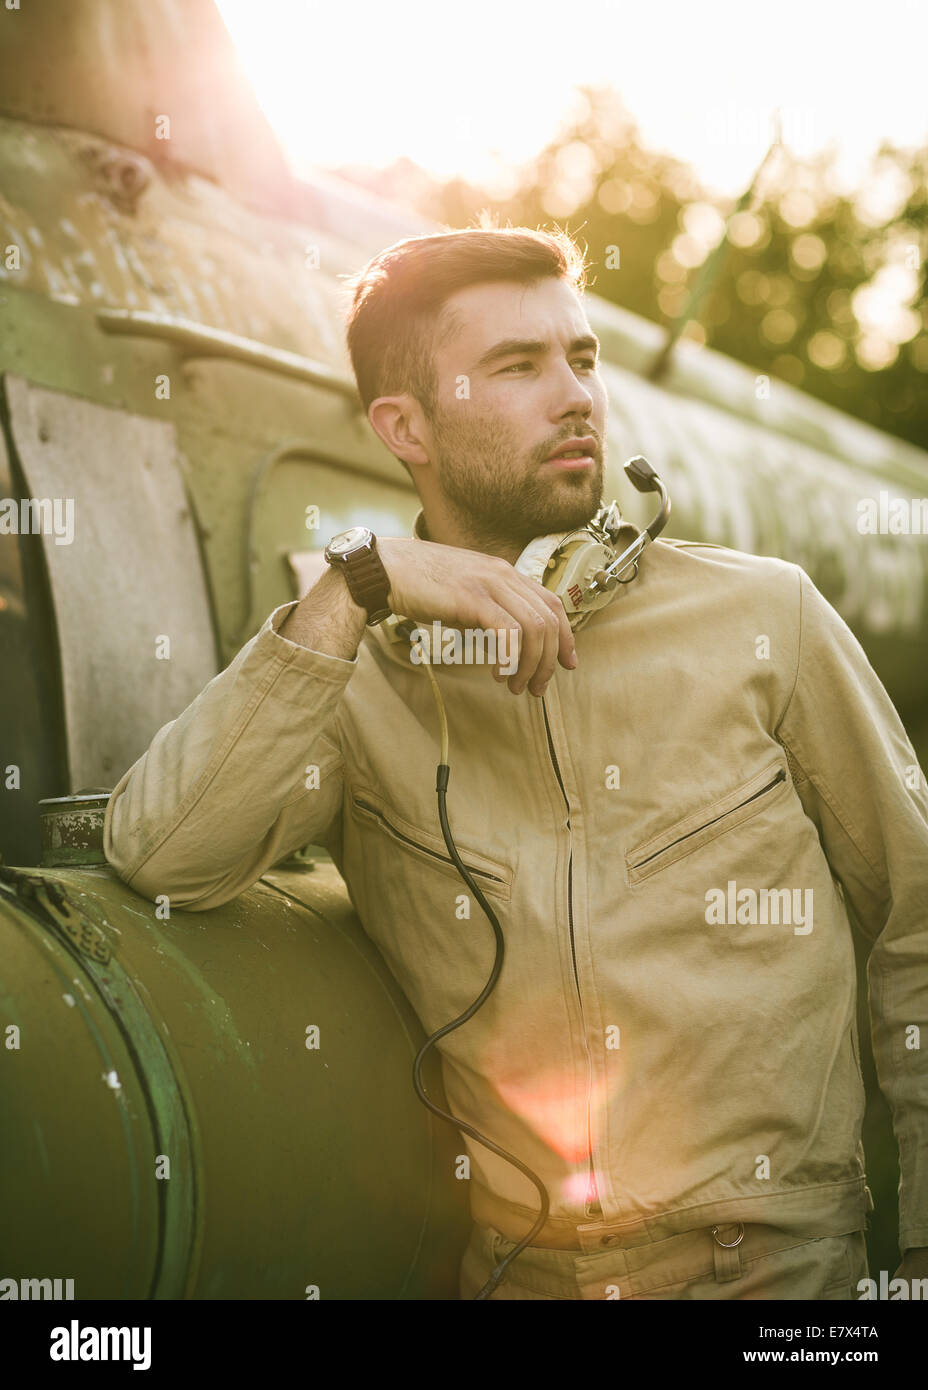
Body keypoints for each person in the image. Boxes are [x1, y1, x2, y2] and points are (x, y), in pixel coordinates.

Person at [104, 225, 928, 1300]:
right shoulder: (354, 685)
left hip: (773, 1273)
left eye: (580, 358)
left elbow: (916, 922)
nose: (574, 393)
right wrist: (347, 589)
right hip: (516, 1275)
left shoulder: (765, 617)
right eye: (516, 366)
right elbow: (161, 854)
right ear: (405, 426)